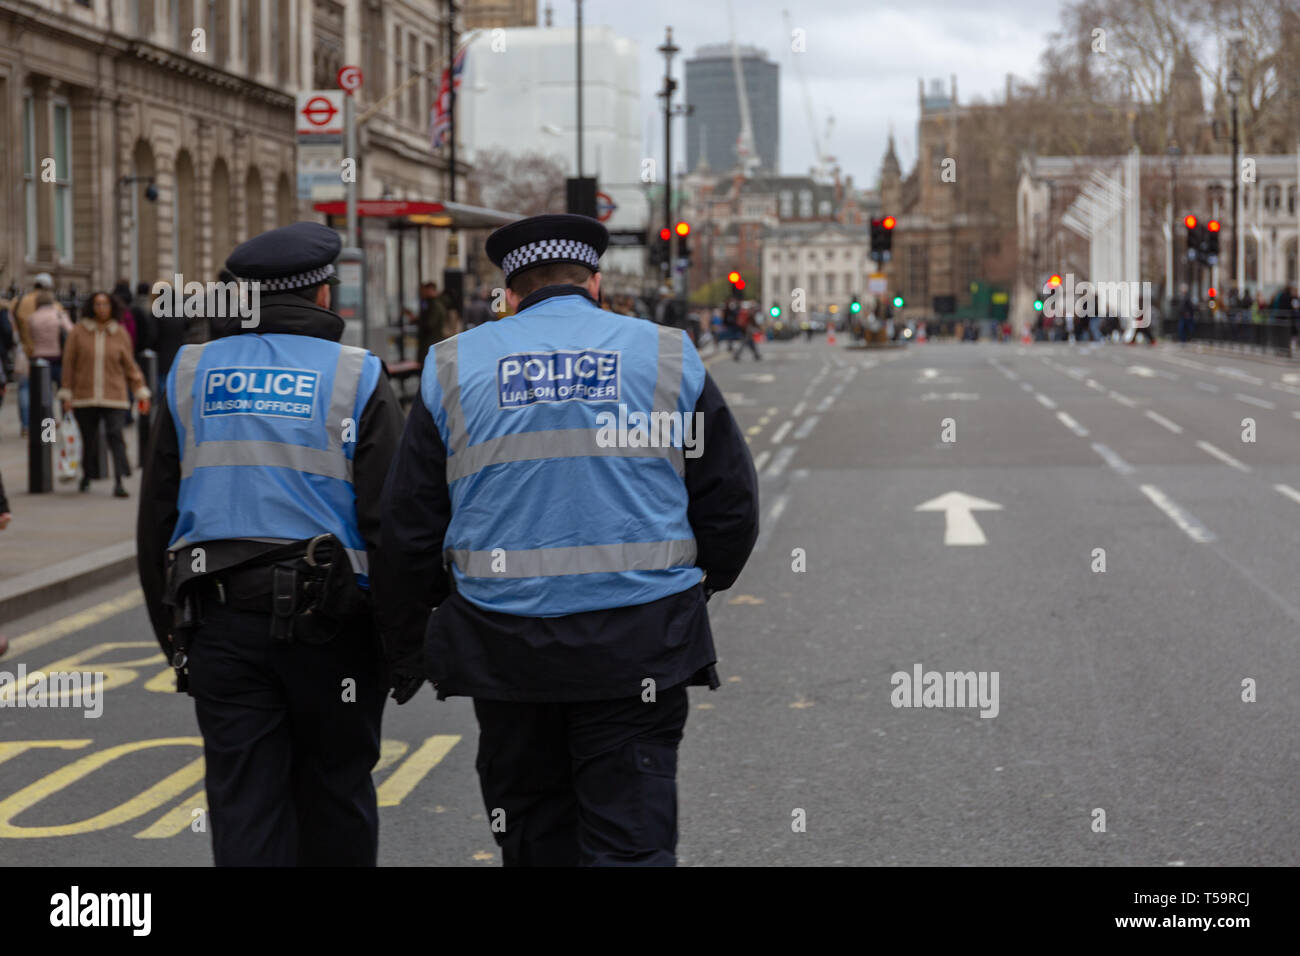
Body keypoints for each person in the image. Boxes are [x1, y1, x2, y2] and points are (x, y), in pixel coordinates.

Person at [380, 213, 760, 867]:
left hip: (505, 650)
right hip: (640, 642)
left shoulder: (453, 364)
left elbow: (409, 528)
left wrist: (413, 642)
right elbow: (730, 503)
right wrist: (695, 586)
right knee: (631, 842)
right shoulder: (667, 353)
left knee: (534, 835)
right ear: (595, 280)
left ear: (510, 290)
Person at [136, 222, 418, 867]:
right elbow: (391, 525)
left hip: (218, 621)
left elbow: (157, 516)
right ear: (324, 296)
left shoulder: (190, 371)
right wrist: (404, 647)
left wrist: (174, 638)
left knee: (244, 802)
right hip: (334, 625)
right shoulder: (357, 374)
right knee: (336, 791)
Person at [58, 291, 148, 497]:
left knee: (115, 435)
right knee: (88, 439)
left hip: (114, 394)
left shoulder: (119, 333)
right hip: (84, 394)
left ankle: (119, 480)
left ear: (112, 307)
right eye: (97, 304)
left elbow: (129, 365)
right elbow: (69, 364)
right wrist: (67, 394)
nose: (101, 308)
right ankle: (87, 475)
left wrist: (140, 391)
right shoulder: (78, 332)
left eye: (105, 304)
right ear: (91, 306)